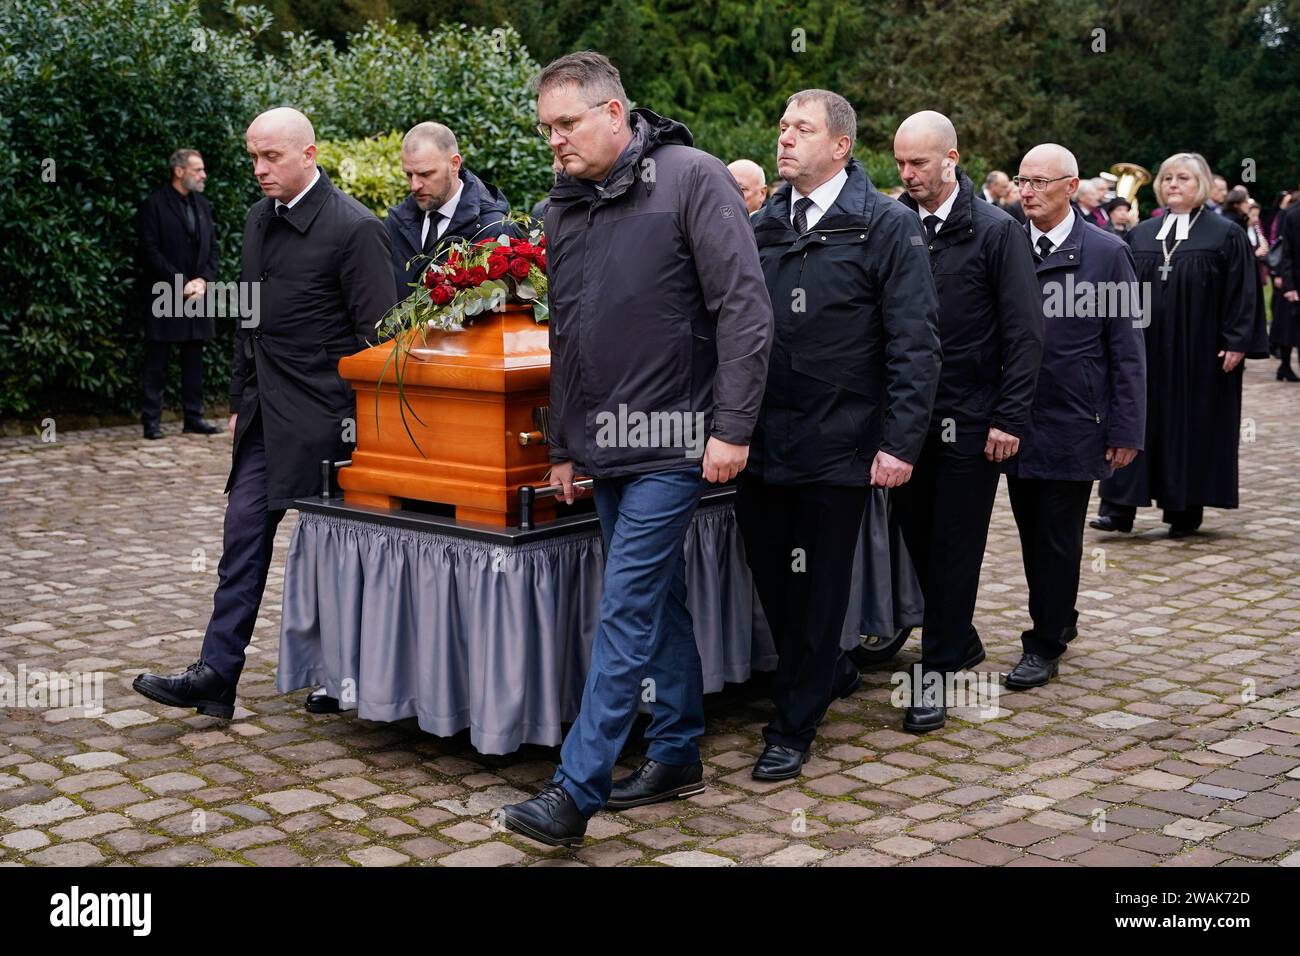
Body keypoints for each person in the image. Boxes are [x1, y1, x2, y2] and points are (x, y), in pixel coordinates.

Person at [497, 52, 773, 847]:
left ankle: (574, 791)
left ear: (614, 113)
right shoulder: (566, 205)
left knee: (623, 606)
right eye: (546, 127)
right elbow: (570, 339)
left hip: (676, 442)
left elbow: (746, 311)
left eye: (567, 124)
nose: (554, 141)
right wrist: (564, 446)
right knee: (659, 601)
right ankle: (677, 749)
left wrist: (732, 427)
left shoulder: (692, 177)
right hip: (605, 447)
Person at [132, 108, 397, 718]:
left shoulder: (355, 228)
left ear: (309, 154)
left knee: (337, 560)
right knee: (242, 542)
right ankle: (216, 678)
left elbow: (382, 345)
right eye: (253, 157)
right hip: (262, 420)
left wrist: (367, 431)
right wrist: (237, 401)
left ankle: (348, 679)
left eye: (271, 157)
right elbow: (246, 323)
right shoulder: (257, 219)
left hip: (333, 426)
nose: (259, 169)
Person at [740, 90, 940, 779]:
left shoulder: (885, 225)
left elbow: (915, 343)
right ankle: (825, 670)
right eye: (782, 125)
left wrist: (900, 441)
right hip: (764, 442)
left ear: (841, 147)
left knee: (821, 589)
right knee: (775, 580)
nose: (785, 138)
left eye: (802, 128)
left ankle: (793, 726)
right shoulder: (764, 224)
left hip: (842, 445)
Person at [891, 110, 1043, 733]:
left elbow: (1026, 331)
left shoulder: (996, 230)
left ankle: (936, 672)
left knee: (956, 548)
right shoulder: (892, 224)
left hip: (972, 419)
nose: (908, 174)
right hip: (905, 419)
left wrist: (1008, 416)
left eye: (919, 163)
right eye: (899, 163)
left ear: (952, 157)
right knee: (916, 540)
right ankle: (959, 635)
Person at [1004, 144, 1145, 689]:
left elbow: (1127, 347)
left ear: (1071, 186)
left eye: (1041, 181)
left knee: (1057, 536)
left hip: (1075, 421)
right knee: (1030, 531)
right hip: (1017, 418)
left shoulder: (1107, 253)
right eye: (1023, 181)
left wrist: (1126, 426)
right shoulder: (1009, 242)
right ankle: (1059, 615)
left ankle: (1043, 642)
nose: (1029, 191)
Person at [1091, 152, 1268, 537]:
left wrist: (1237, 340)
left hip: (1200, 353)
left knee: (1190, 426)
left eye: (1183, 178)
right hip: (1145, 349)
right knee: (1133, 421)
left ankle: (1183, 508)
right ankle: (1118, 508)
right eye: (1167, 177)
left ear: (1200, 184)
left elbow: (1244, 292)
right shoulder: (1139, 235)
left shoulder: (1225, 234)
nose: (1173, 184)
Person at [136, 148, 220, 439]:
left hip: (197, 293)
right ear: (179, 171)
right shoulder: (154, 205)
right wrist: (180, 281)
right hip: (164, 293)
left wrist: (204, 280)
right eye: (198, 170)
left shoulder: (203, 205)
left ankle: (193, 417)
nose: (203, 175)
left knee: (194, 358)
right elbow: (150, 252)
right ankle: (152, 421)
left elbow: (213, 249)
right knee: (157, 360)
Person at [385, 122, 514, 293]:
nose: (414, 186)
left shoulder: (493, 228)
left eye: (425, 174)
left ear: (454, 164)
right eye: (409, 174)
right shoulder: (395, 224)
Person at [1276, 185, 1300, 381]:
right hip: (1295, 280)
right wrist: (1289, 285)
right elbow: (1287, 253)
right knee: (1289, 326)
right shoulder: (1292, 215)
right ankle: (1284, 365)